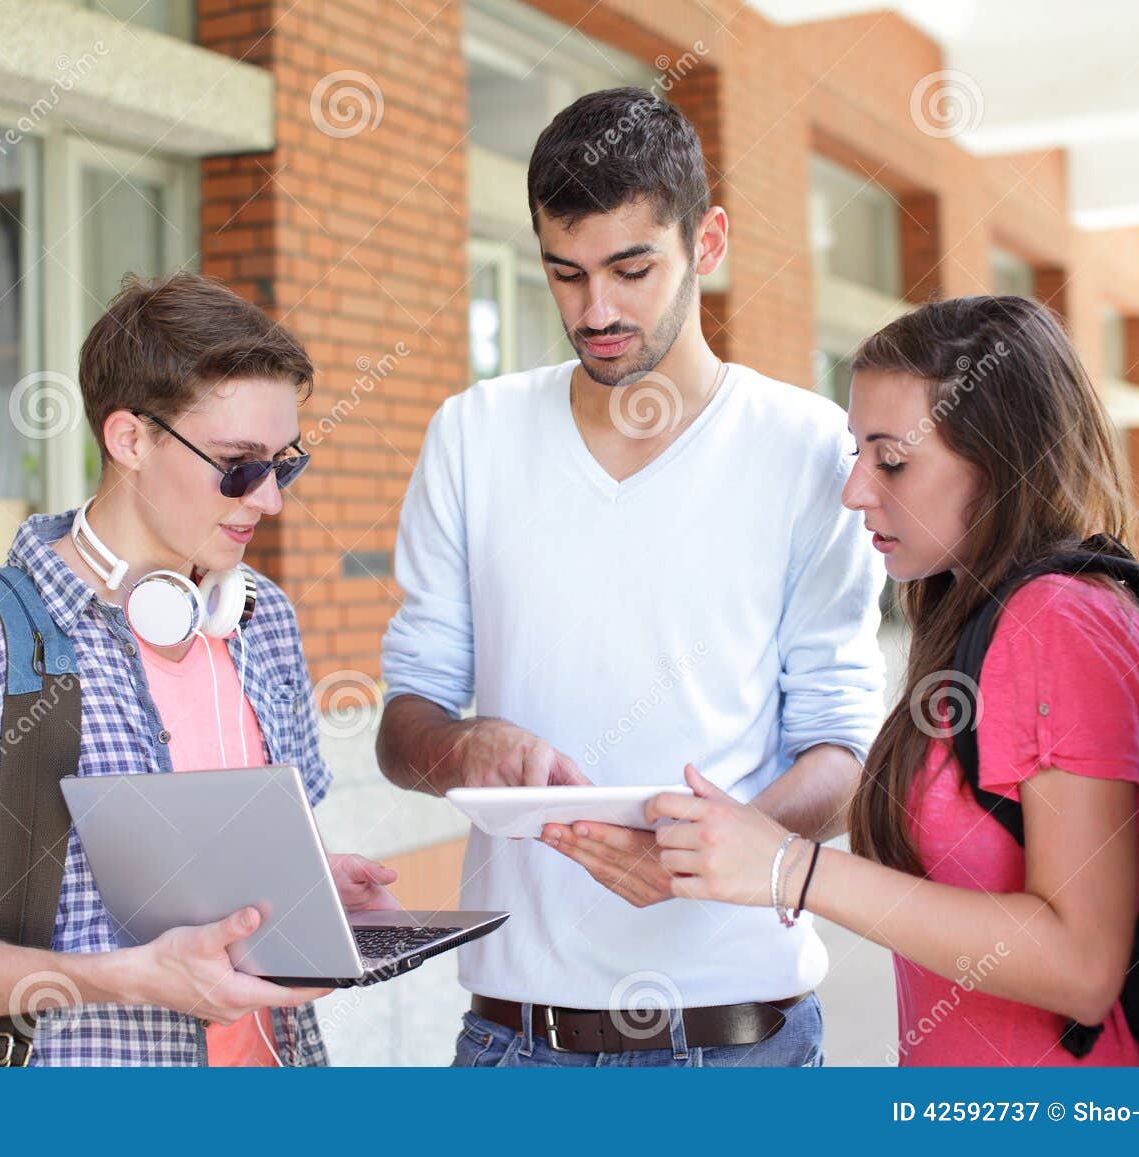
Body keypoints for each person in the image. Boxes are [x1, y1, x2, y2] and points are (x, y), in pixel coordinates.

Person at [376, 88, 885, 1067]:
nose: (596, 311)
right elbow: (406, 725)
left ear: (710, 241)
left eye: (631, 269)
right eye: (564, 275)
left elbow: (840, 746)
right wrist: (461, 745)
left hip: (741, 1041)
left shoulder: (807, 446)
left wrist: (724, 846)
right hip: (513, 1038)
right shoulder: (472, 436)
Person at [0, 271, 399, 1067]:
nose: (269, 500)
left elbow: (240, 874)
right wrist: (125, 977)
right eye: (238, 465)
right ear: (130, 439)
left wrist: (306, 890)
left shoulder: (260, 620)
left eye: (283, 464)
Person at [648, 294, 1139, 1066]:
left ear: (999, 463)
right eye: (857, 454)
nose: (855, 490)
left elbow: (1081, 964)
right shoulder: (993, 618)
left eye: (891, 459)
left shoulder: (1058, 623)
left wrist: (788, 867)